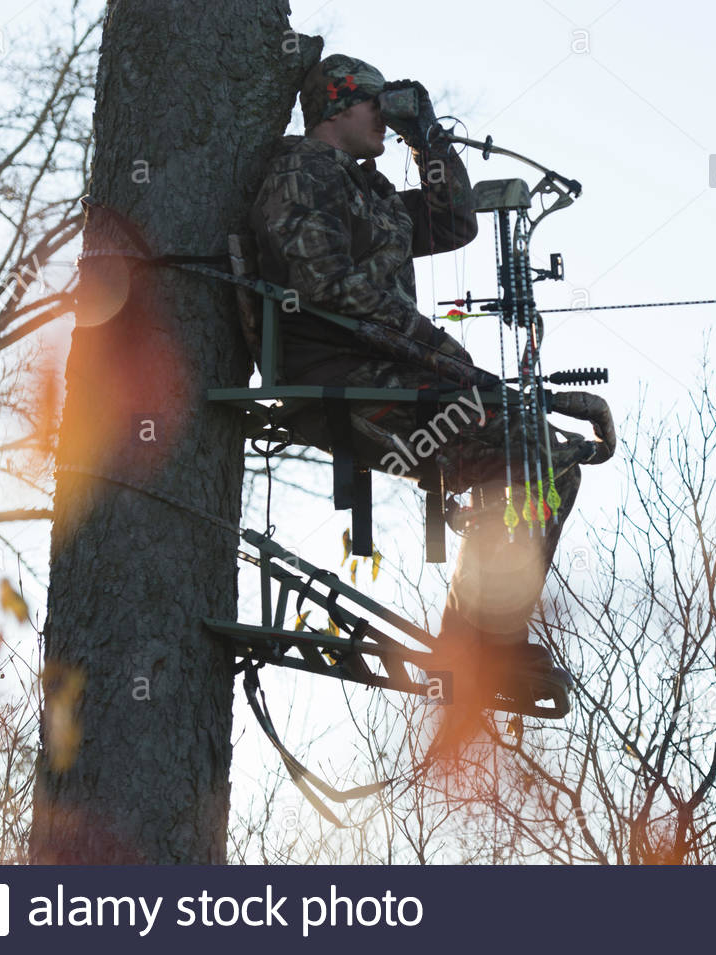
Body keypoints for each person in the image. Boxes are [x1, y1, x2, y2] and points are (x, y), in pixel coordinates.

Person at [249, 55, 611, 732]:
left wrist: (430, 142)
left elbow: (454, 220)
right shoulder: (304, 171)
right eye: (375, 106)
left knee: (548, 455)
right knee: (527, 444)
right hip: (341, 378)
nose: (384, 119)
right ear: (336, 107)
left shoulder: (368, 189)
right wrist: (452, 361)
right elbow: (323, 287)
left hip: (391, 372)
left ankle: (481, 639)